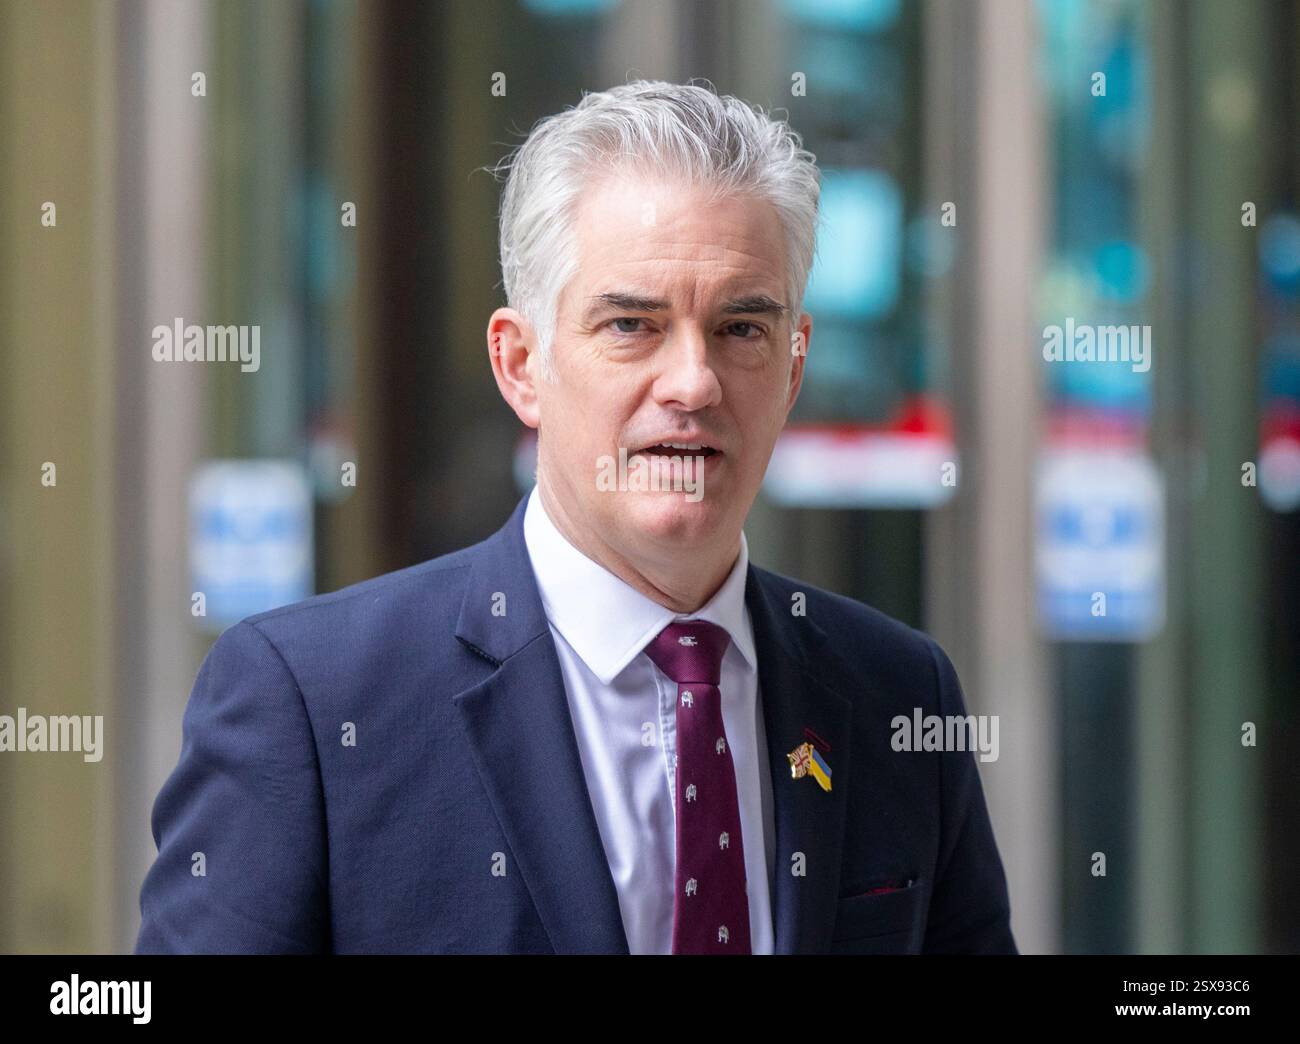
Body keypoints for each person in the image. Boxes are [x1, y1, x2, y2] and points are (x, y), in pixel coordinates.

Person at [136, 79, 1016, 955]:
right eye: (632, 324)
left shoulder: (899, 696)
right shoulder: (313, 706)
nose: (693, 382)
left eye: (741, 329)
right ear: (522, 365)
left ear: (791, 370)